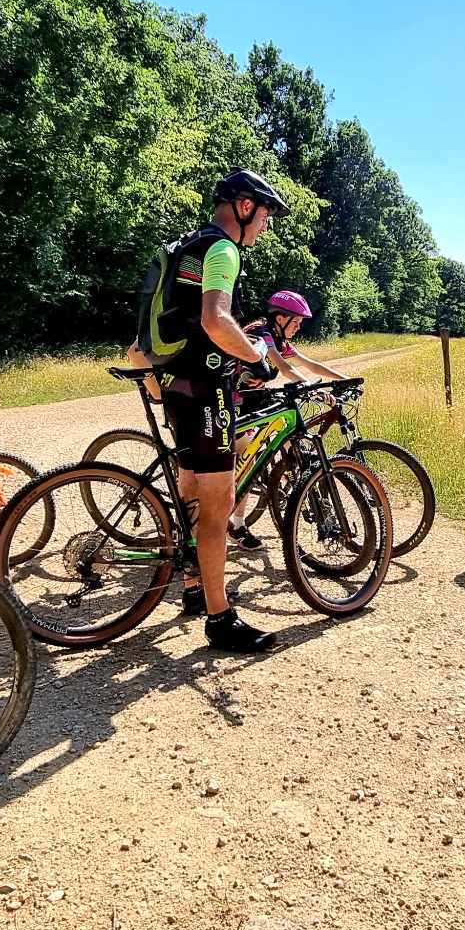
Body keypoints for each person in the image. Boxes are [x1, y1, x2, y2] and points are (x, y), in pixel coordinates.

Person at [128, 169, 289, 652]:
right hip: (205, 388)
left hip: (176, 382)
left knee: (195, 489)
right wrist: (257, 358)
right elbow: (216, 320)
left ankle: (195, 587)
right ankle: (221, 620)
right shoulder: (222, 249)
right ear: (244, 208)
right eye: (264, 216)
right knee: (219, 506)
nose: (265, 227)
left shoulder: (186, 246)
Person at [220, 290, 349, 553]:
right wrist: (312, 389)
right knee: (248, 455)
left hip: (255, 398)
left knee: (289, 437)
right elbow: (283, 366)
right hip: (233, 399)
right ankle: (236, 522)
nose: (299, 326)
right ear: (280, 317)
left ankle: (289, 476)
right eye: (296, 321)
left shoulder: (278, 337)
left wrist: (344, 380)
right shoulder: (260, 332)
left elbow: (308, 363)